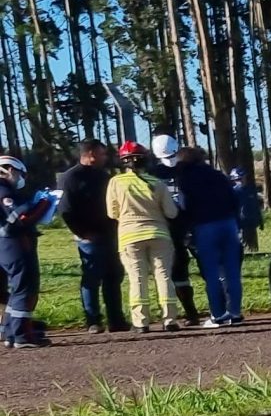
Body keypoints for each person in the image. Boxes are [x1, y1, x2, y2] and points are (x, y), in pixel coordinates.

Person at [55, 139, 128, 333]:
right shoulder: (70, 178)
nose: (105, 157)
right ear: (90, 154)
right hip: (89, 237)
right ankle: (93, 320)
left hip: (110, 233)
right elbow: (65, 209)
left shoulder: (104, 176)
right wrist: (82, 233)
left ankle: (116, 319)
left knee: (114, 276)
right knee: (92, 277)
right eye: (101, 153)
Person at [106, 142, 180, 331]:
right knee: (164, 276)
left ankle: (141, 322)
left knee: (137, 278)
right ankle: (170, 320)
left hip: (129, 236)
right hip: (160, 235)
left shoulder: (116, 182)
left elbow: (112, 213)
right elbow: (172, 213)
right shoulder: (158, 183)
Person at [173, 147, 244, 326]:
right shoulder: (218, 175)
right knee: (231, 271)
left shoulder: (185, 179)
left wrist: (186, 227)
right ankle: (235, 313)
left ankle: (218, 315)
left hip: (204, 226)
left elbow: (184, 205)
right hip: (228, 223)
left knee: (211, 273)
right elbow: (234, 199)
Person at [149, 135, 203, 325]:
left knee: (180, 271)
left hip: (177, 226)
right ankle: (202, 311)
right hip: (185, 226)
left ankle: (194, 313)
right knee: (186, 270)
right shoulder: (188, 168)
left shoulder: (154, 172)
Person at [0, 154, 52, 349]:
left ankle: (11, 331)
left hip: (7, 243)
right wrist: (43, 204)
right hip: (12, 243)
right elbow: (18, 218)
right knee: (24, 286)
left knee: (17, 288)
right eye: (21, 173)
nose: (22, 178)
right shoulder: (4, 189)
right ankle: (23, 336)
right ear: (10, 169)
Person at [231, 166, 263, 252]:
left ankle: (254, 254)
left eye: (242, 178)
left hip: (251, 222)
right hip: (241, 224)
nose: (241, 181)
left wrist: (260, 220)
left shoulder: (250, 190)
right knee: (244, 246)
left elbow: (256, 206)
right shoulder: (233, 192)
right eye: (238, 179)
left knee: (254, 246)